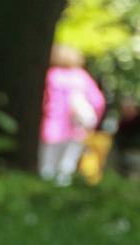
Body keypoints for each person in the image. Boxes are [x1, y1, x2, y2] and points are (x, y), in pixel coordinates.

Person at [40, 44, 105, 186]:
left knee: (47, 166)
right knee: (67, 166)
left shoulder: (51, 75)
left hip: (52, 127)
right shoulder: (82, 77)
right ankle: (62, 195)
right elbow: (98, 101)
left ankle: (43, 194)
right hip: (77, 129)